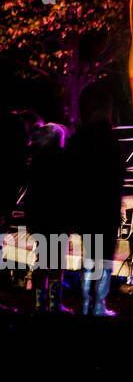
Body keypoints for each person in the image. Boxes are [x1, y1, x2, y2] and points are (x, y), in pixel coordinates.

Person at [67, 87, 125, 316]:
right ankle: (99, 303)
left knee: (89, 254)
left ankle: (84, 301)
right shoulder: (110, 139)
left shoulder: (79, 138)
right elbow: (117, 174)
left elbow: (71, 172)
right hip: (106, 206)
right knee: (104, 255)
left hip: (85, 206)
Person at [22, 111, 72, 312]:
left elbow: (32, 191)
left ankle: (38, 302)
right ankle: (55, 303)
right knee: (57, 261)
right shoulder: (64, 160)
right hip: (58, 216)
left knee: (40, 260)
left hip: (40, 216)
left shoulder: (36, 160)